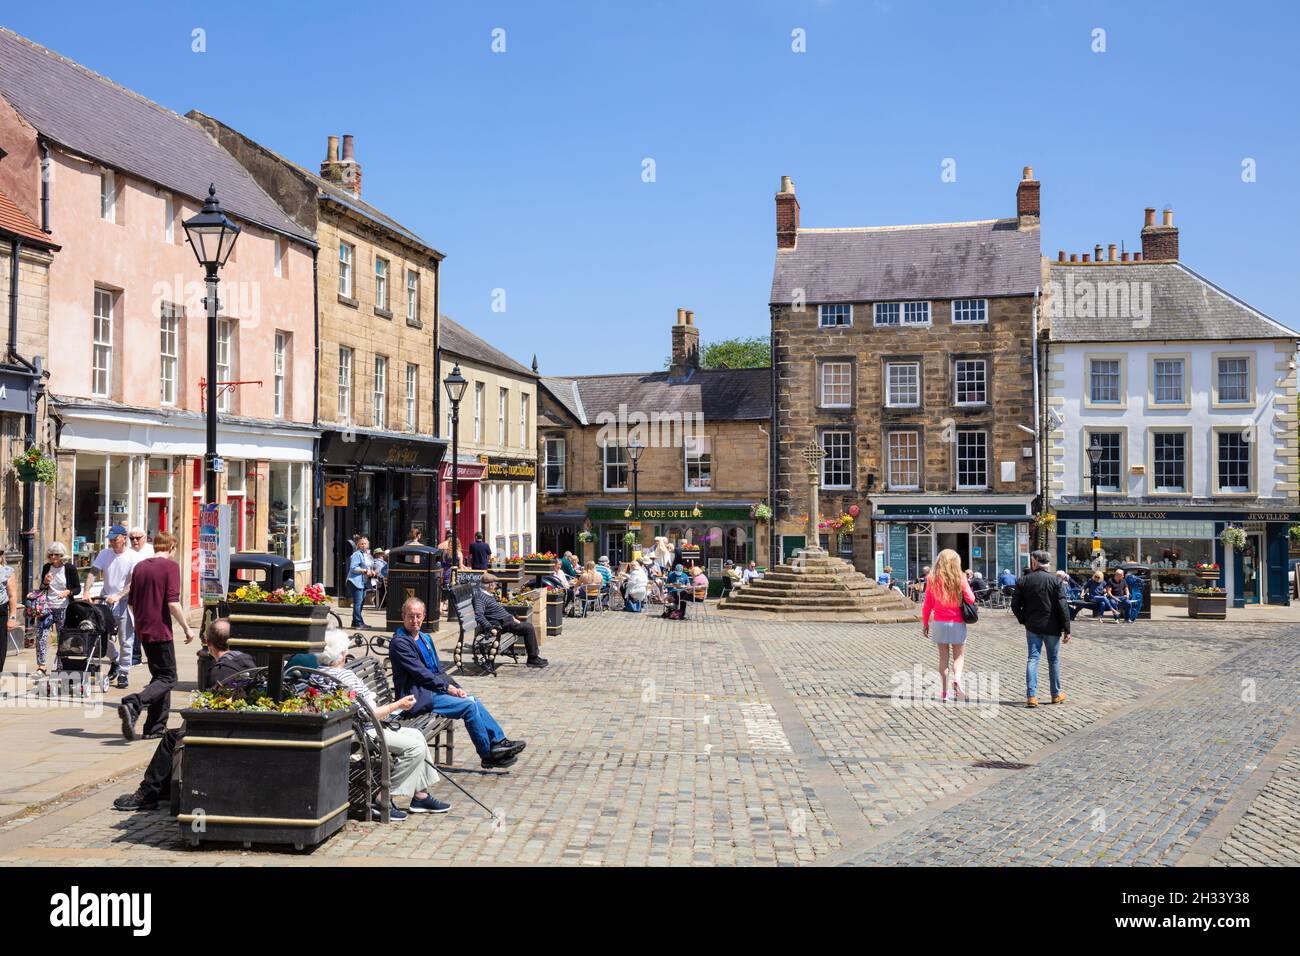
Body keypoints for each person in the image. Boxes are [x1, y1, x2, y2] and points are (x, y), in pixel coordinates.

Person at [112, 620, 252, 811]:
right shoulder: (246, 660)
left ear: (208, 642)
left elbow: (212, 711)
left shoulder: (220, 671)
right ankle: (162, 788)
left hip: (224, 733)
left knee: (171, 737)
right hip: (243, 728)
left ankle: (148, 793)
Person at [317, 629, 449, 820]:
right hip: (361, 732)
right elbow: (370, 714)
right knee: (415, 747)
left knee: (417, 736)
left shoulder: (322, 673)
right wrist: (398, 705)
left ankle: (420, 796)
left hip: (357, 727)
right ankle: (382, 798)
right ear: (342, 654)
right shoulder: (342, 678)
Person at [387, 598, 526, 769]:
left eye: (418, 616)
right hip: (417, 696)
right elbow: (420, 673)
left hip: (433, 690)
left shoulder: (425, 638)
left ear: (424, 616)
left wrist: (457, 688)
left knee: (472, 699)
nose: (415, 621)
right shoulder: (400, 642)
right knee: (468, 707)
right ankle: (487, 755)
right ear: (403, 616)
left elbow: (439, 670)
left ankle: (499, 741)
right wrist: (447, 688)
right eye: (410, 616)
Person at [119, 533, 194, 740]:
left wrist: (142, 621)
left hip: (143, 630)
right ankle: (135, 702)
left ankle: (154, 727)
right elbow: (172, 602)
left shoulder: (140, 567)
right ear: (171, 547)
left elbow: (131, 603)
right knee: (169, 678)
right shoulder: (170, 567)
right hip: (160, 630)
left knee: (160, 677)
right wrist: (187, 627)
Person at [1011, 550, 1072, 708]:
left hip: (1032, 626)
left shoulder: (1024, 580)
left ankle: (1032, 696)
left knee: (1033, 659)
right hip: (1052, 626)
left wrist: (1023, 620)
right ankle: (1056, 694)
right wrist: (1067, 629)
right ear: (1048, 564)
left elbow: (1015, 605)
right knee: (1053, 660)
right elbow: (1063, 606)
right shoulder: (1055, 581)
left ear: (1034, 562)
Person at [84, 525, 142, 688]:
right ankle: (115, 660)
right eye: (110, 539)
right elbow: (93, 571)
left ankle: (124, 672)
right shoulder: (105, 553)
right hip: (105, 599)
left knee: (126, 639)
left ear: (124, 538)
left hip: (123, 601)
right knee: (100, 635)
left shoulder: (133, 557)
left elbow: (133, 581)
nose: (113, 542)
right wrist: (86, 591)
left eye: (115, 539)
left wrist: (118, 595)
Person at [921, 550, 976, 702]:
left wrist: (925, 623)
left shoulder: (931, 578)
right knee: (959, 657)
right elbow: (971, 599)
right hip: (957, 622)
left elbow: (927, 605)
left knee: (943, 659)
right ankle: (957, 679)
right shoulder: (961, 577)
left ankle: (944, 693)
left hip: (939, 622)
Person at [472, 573, 547, 668]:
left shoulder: (487, 595)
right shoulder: (480, 597)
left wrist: (512, 617)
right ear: (490, 585)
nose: (495, 586)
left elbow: (499, 610)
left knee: (527, 627)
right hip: (499, 625)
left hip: (506, 621)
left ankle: (534, 657)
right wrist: (490, 628)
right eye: (495, 584)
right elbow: (479, 615)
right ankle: (533, 658)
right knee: (528, 628)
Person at [33, 542, 80, 677]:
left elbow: (77, 588)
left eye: (57, 555)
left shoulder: (69, 568)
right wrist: (46, 582)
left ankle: (60, 666)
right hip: (46, 607)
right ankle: (41, 666)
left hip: (63, 607)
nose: (53, 557)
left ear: (62, 556)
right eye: (51, 554)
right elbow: (42, 588)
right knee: (41, 636)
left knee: (62, 638)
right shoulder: (47, 567)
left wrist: (68, 592)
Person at [346, 536, 377, 628]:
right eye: (361, 543)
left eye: (365, 543)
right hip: (355, 581)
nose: (363, 545)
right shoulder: (357, 554)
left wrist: (372, 571)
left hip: (363, 582)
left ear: (368, 544)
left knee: (361, 601)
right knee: (358, 602)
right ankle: (358, 622)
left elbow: (370, 566)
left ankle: (355, 622)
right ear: (358, 545)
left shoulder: (367, 555)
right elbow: (353, 568)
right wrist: (364, 571)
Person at [0, 553, 16, 677]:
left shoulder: (7, 571)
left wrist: (12, 617)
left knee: (0, 644)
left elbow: (12, 596)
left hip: (1, 611)